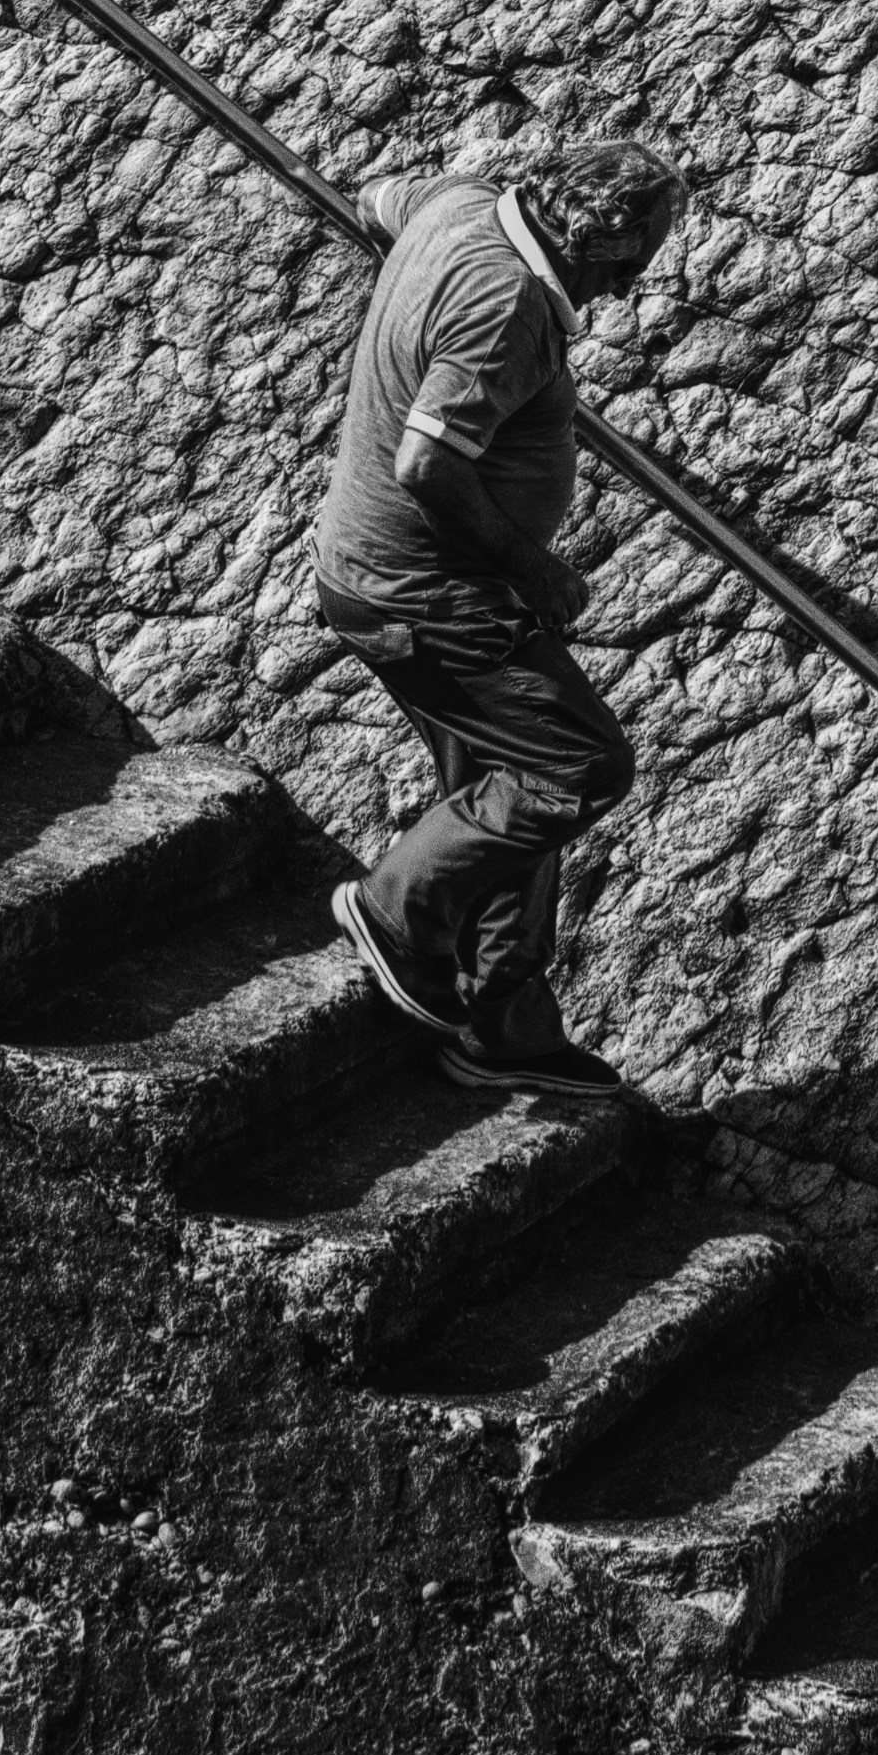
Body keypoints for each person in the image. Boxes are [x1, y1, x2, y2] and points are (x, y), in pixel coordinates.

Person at [309, 131, 676, 1100]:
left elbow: (375, 201)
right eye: (635, 261)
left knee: (511, 784)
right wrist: (535, 569)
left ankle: (504, 1024)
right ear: (597, 240)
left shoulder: (461, 204)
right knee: (580, 764)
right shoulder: (510, 302)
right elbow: (426, 463)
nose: (633, 286)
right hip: (426, 593)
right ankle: (397, 914)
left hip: (380, 571)